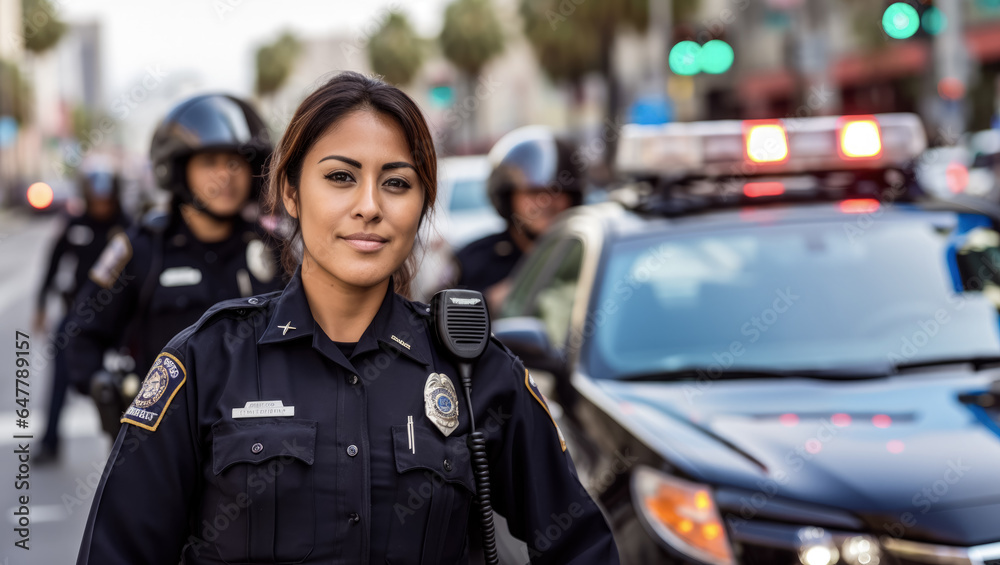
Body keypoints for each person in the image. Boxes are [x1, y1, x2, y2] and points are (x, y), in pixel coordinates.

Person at [77, 71, 619, 565]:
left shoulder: (477, 373)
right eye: (340, 177)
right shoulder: (204, 361)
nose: (369, 206)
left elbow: (581, 547)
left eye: (397, 183)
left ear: (423, 203)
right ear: (290, 192)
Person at [65, 93, 283, 437]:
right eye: (210, 161)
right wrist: (102, 388)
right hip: (167, 441)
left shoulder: (274, 248)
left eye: (237, 162)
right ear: (177, 167)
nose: (227, 175)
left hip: (261, 439)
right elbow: (80, 334)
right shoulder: (141, 249)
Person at [35, 169, 131, 462]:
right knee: (60, 375)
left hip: (121, 318)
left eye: (106, 200)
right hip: (79, 317)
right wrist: (40, 305)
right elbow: (53, 263)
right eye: (96, 200)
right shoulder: (74, 224)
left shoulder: (128, 228)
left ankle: (131, 446)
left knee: (132, 382)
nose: (101, 205)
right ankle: (50, 440)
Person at [453, 126, 585, 310]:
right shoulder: (471, 261)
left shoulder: (590, 256)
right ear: (508, 198)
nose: (546, 202)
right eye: (533, 192)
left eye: (557, 191)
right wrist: (487, 304)